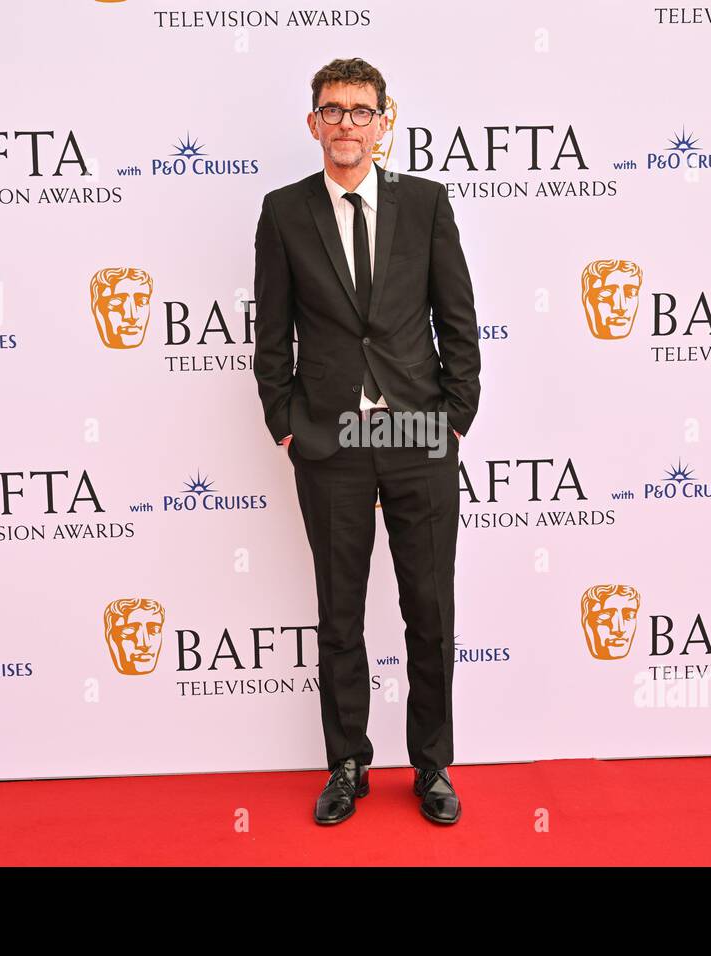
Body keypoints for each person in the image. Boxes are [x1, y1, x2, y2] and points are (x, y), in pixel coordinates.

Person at [252, 57, 481, 825]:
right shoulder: (284, 212)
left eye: (360, 109)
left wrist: (456, 413)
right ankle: (347, 762)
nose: (346, 122)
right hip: (330, 439)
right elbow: (271, 332)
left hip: (419, 433)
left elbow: (457, 315)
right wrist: (284, 418)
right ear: (313, 123)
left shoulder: (425, 203)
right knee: (340, 611)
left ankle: (433, 766)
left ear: (386, 121)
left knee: (430, 609)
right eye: (332, 109)